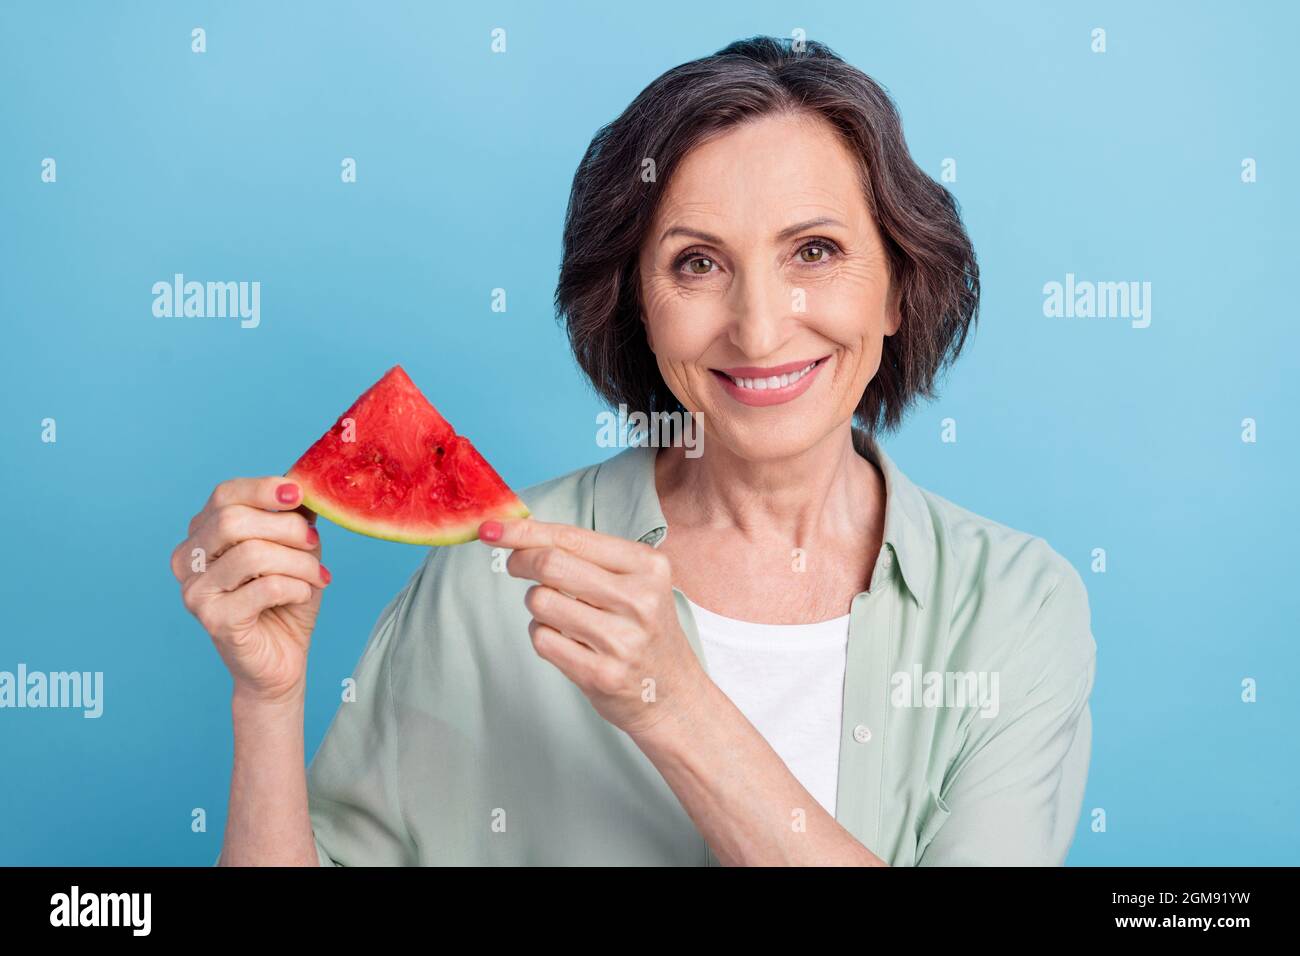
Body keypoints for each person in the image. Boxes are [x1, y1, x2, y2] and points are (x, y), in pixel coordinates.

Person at [175, 36, 1096, 866]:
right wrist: (266, 705)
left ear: (897, 291)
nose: (761, 326)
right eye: (697, 262)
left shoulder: (1013, 608)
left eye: (814, 251)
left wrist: (674, 705)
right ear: (638, 308)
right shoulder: (478, 589)